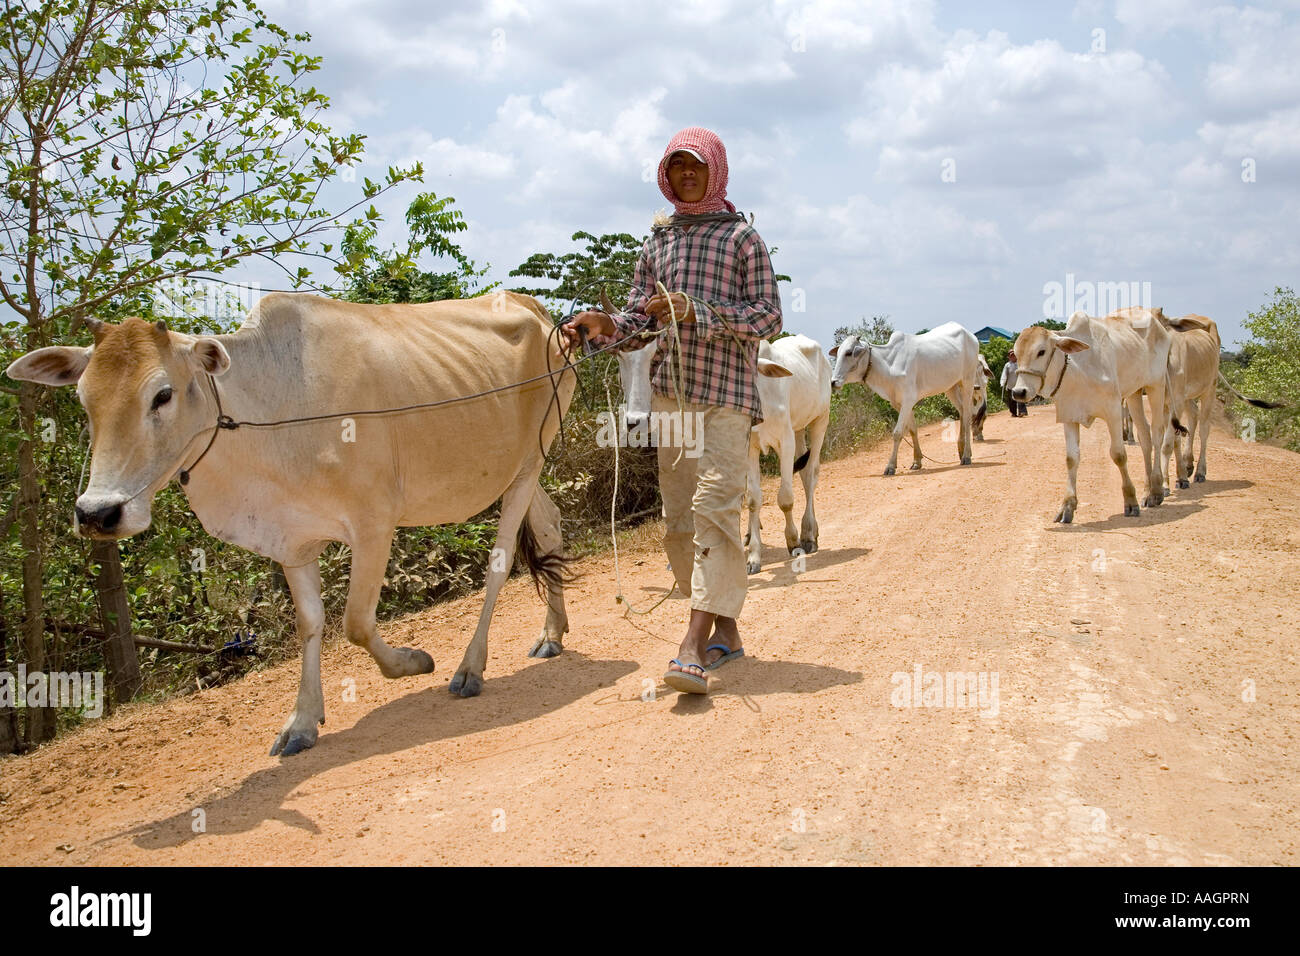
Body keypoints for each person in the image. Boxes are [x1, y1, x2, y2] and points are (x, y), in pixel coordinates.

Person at [561, 126, 782, 694]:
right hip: (670, 401)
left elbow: (768, 318)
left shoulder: (742, 238)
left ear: (716, 170)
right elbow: (639, 321)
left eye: (695, 166)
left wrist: (696, 313)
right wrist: (605, 327)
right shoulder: (657, 240)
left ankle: (691, 646)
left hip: (727, 399)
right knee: (680, 518)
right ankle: (726, 633)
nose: (686, 175)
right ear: (666, 174)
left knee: (714, 511)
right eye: (676, 166)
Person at [1001, 350, 1026, 417]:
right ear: (1009, 357)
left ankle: (1022, 412)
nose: (1013, 357)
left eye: (1014, 355)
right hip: (1010, 385)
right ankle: (1013, 413)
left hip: (1019, 384)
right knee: (1011, 400)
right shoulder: (1007, 365)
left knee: (1020, 398)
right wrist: (1002, 382)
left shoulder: (1020, 363)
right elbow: (1004, 374)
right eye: (1011, 356)